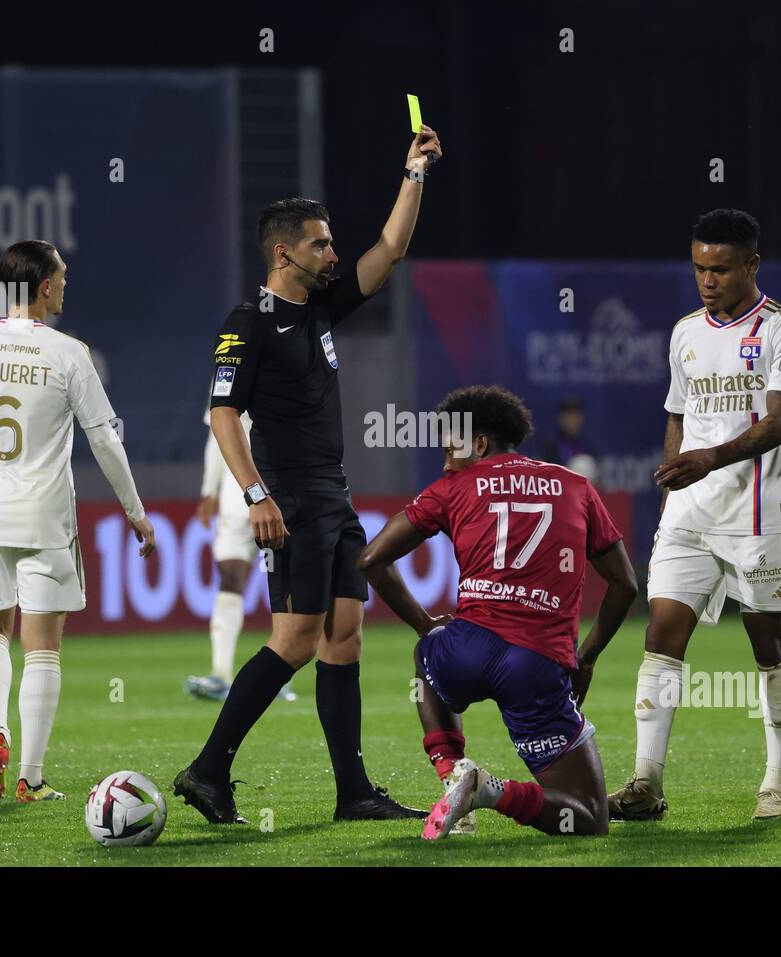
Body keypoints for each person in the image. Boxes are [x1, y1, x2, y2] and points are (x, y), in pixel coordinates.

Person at [172, 124, 444, 824]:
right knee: (294, 640)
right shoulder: (248, 323)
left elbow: (391, 249)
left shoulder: (320, 304)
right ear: (283, 251)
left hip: (333, 495)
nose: (333, 253)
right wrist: (255, 494)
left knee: (344, 636)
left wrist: (413, 172)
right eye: (321, 244)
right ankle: (207, 770)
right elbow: (223, 414)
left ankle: (353, 794)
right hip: (292, 498)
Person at [358, 385, 639, 839]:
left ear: (480, 442)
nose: (445, 462)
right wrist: (586, 658)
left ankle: (454, 775)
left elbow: (371, 559)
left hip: (464, 651)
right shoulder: (576, 486)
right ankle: (487, 791)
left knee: (428, 651)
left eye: (450, 449)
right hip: (537, 664)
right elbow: (625, 584)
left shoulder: (453, 487)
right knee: (588, 818)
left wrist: (426, 626)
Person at [607, 209, 781, 823]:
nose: (707, 279)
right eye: (699, 267)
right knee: (660, 637)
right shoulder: (685, 332)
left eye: (720, 268)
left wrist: (710, 459)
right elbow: (678, 412)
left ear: (752, 264)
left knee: (770, 645)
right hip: (690, 514)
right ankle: (646, 783)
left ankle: (776, 785)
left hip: (760, 513)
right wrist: (675, 483)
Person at [0, 240, 156, 803]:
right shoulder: (68, 354)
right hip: (45, 518)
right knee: (41, 648)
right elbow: (105, 440)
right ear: (42, 286)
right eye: (61, 277)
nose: (65, 285)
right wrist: (135, 511)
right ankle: (30, 778)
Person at [184, 402, 293, 703]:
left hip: (278, 490)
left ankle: (282, 671)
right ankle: (221, 673)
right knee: (231, 578)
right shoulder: (225, 374)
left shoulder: (289, 376)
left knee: (285, 577)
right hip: (238, 493)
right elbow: (217, 432)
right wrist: (209, 491)